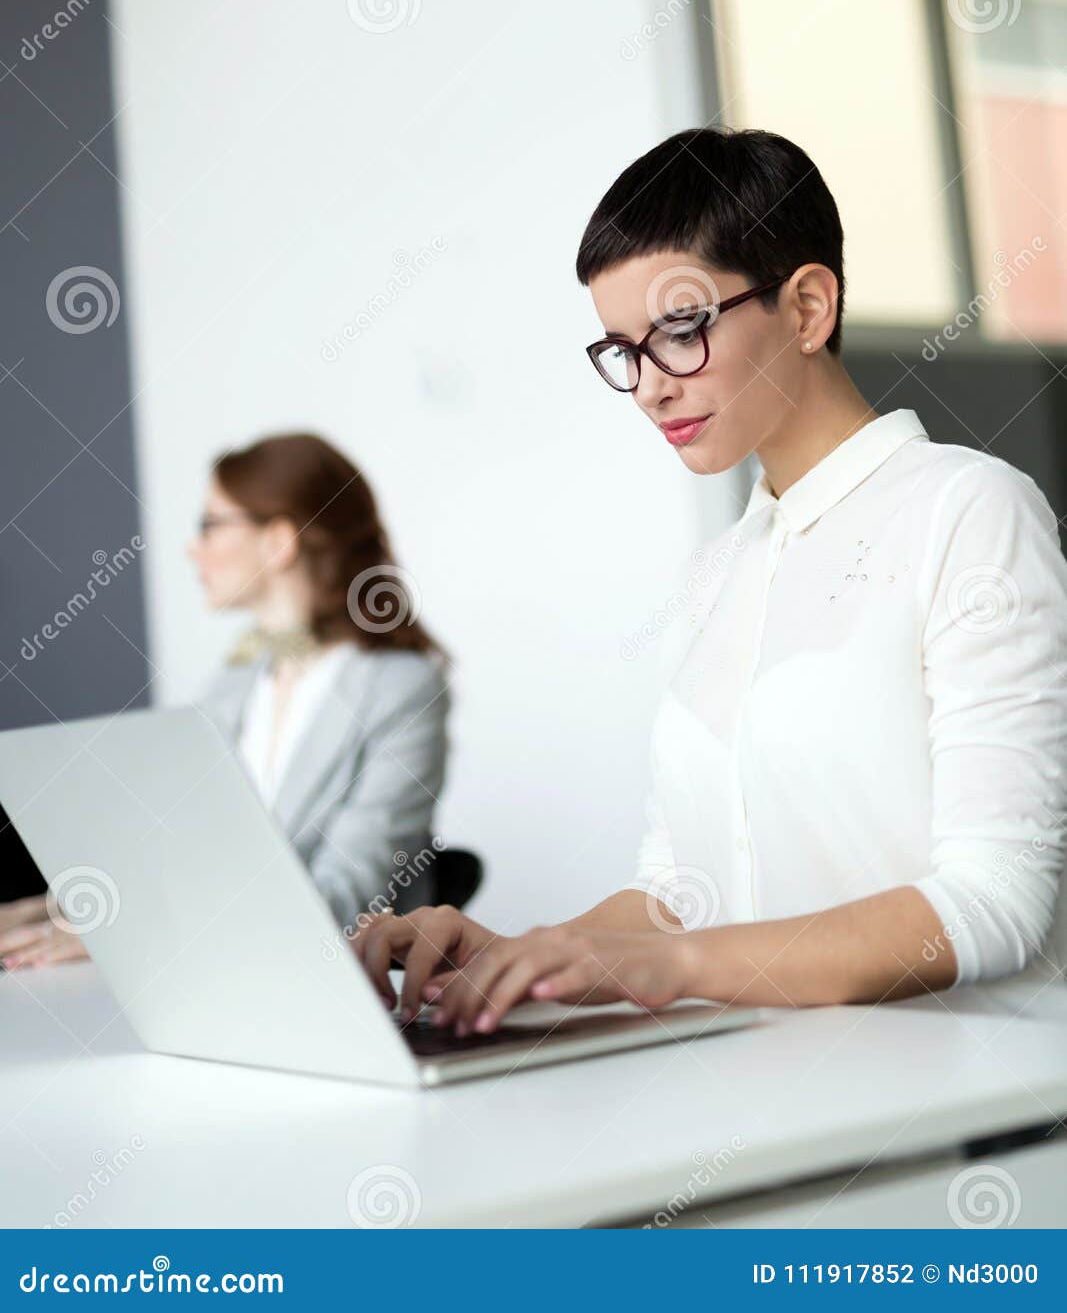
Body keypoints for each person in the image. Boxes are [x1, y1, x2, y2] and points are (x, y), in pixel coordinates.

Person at [355, 125, 1067, 1034]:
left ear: (807, 308)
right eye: (622, 348)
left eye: (681, 330)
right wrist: (510, 960)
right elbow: (675, 891)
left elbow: (995, 901)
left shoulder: (967, 510)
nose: (649, 386)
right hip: (758, 1094)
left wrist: (671, 964)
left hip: (960, 1108)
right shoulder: (717, 572)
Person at [0, 433, 449, 970]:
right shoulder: (236, 680)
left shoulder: (401, 688)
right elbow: (173, 860)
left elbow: (344, 903)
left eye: (210, 525)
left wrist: (133, 935)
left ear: (279, 540)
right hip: (211, 979)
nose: (194, 548)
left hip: (329, 989)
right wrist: (50, 914)